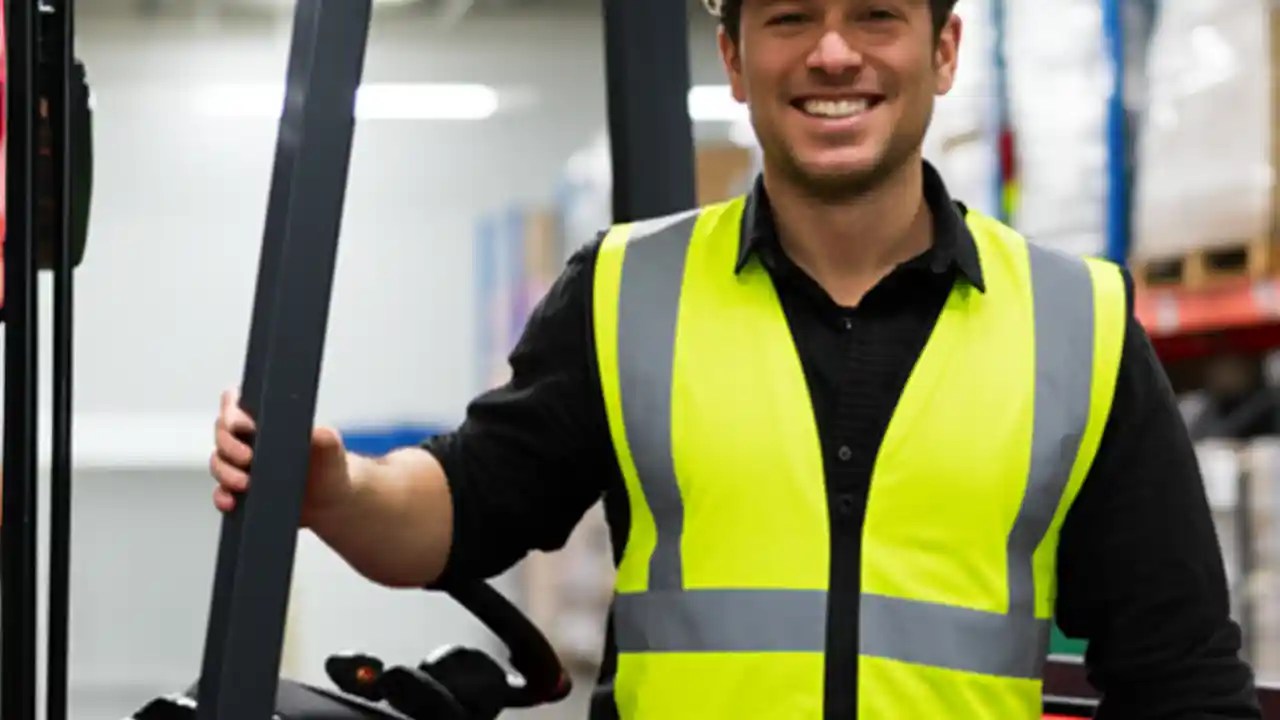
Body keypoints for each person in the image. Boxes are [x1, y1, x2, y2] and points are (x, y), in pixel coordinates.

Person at [210, 0, 1261, 717]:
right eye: (790, 17)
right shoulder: (626, 291)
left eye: (875, 16)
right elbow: (464, 504)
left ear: (944, 51)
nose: (833, 53)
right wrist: (338, 491)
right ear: (733, 56)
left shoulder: (1076, 321)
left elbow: (1179, 672)